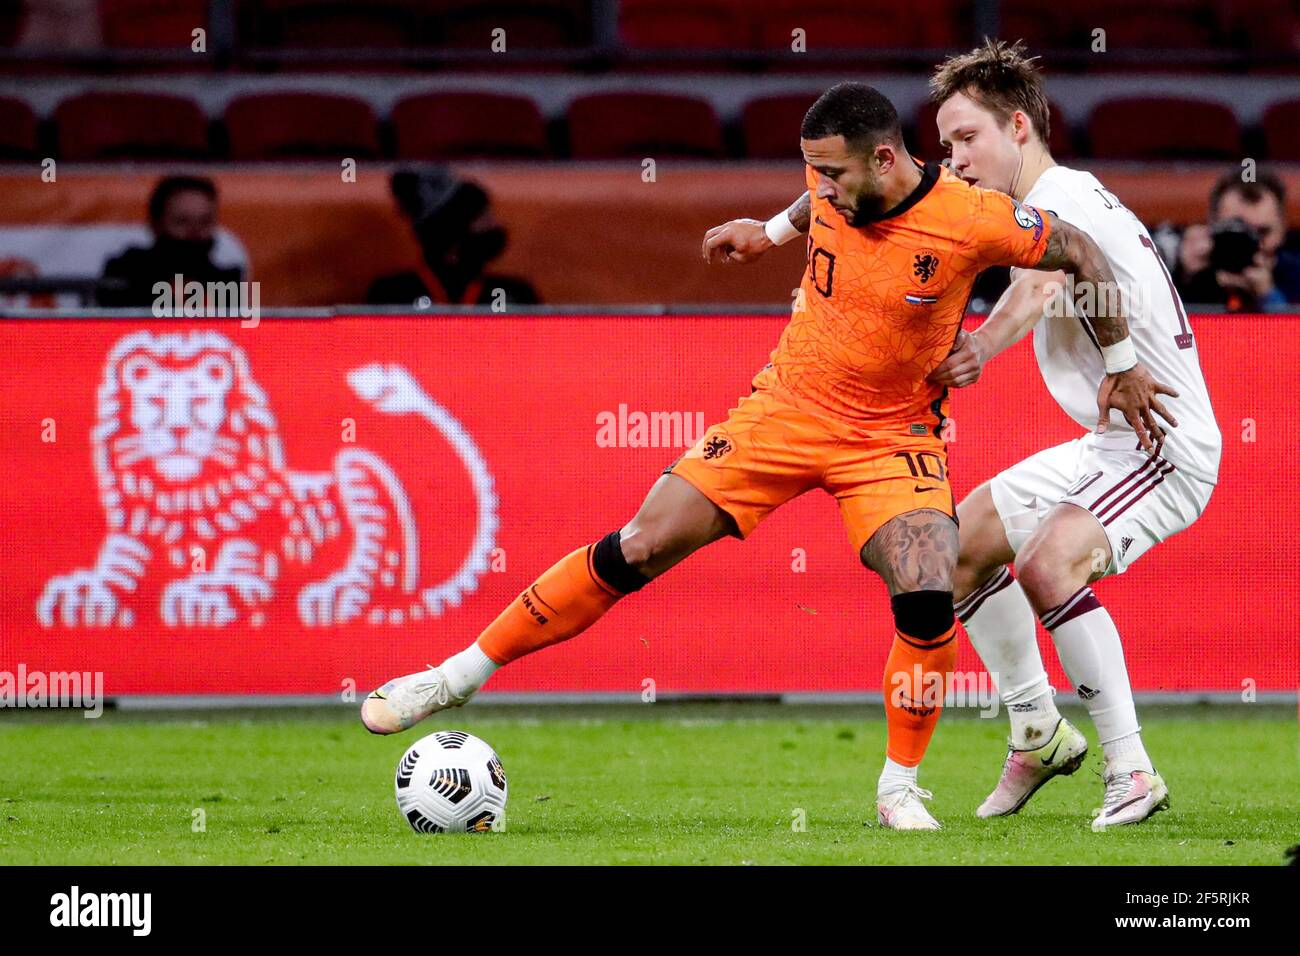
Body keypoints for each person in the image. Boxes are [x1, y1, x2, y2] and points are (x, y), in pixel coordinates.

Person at [360, 82, 1160, 831]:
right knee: (639, 543)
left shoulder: (976, 219)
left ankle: (898, 786)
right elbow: (813, 201)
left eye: (834, 173)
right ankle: (455, 676)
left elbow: (1081, 253)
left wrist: (1121, 362)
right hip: (783, 411)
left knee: (926, 582)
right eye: (812, 173)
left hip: (892, 435)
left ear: (885, 159)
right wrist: (770, 231)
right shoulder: (830, 183)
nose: (822, 187)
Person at [926, 39, 1222, 829]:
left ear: (1017, 127)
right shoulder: (1055, 198)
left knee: (1047, 565)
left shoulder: (1067, 203)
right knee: (955, 553)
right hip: (1111, 439)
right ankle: (1036, 732)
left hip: (1163, 440)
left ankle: (1130, 769)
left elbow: (1040, 284)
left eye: (965, 139)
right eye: (944, 144)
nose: (952, 159)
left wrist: (980, 350)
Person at [367, 167, 538, 308]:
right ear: (452, 234)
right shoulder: (391, 294)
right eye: (483, 219)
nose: (495, 226)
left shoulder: (517, 295)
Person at [98, 175, 242, 308]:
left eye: (205, 222)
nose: (195, 232)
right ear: (156, 224)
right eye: (182, 222)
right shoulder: (125, 271)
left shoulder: (227, 282)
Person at [1175, 169, 1300, 312]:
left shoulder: (1296, 275)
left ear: (1282, 229)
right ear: (1211, 225)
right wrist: (1185, 280)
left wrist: (1268, 295)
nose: (1251, 243)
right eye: (1236, 230)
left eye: (1263, 232)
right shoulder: (1184, 272)